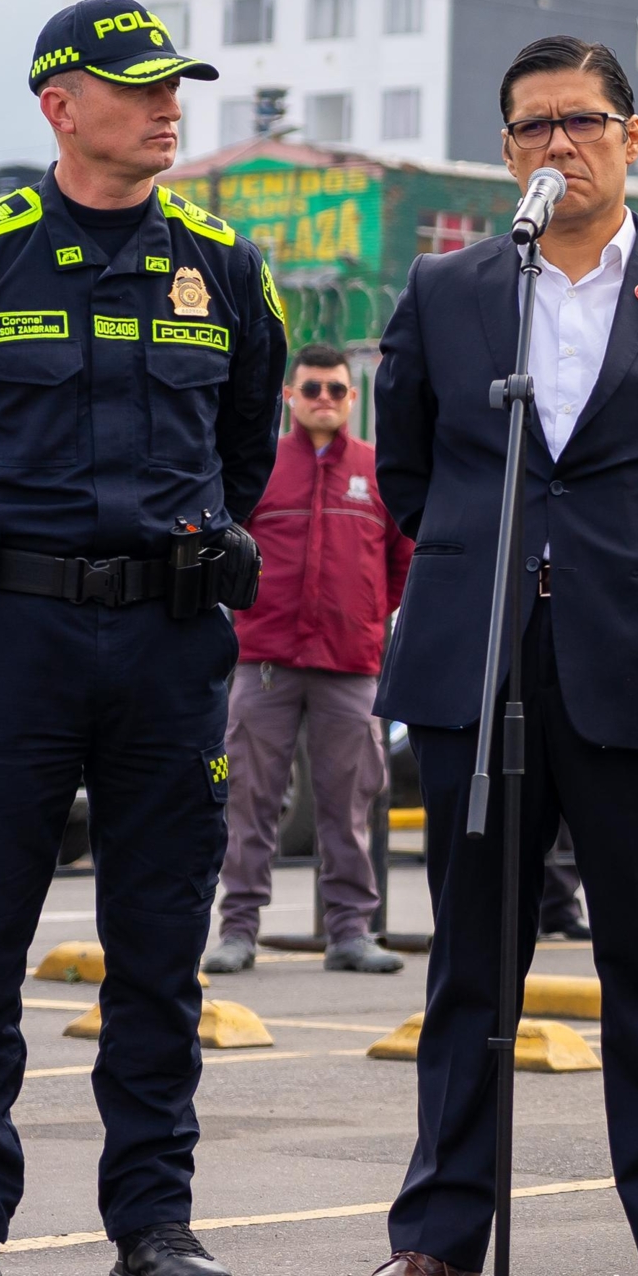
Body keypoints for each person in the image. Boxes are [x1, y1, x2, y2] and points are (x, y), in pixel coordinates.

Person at [332, 35, 638, 1276]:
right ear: (505, 150)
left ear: (633, 136)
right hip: (477, 660)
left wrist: (636, 579)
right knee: (471, 962)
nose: (557, 145)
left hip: (634, 663)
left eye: (582, 121)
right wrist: (504, 572)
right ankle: (434, 1241)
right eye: (531, 126)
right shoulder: (450, 289)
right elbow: (412, 474)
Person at [0, 0, 284, 1276]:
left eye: (176, 86)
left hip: (169, 644)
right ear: (60, 105)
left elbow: (248, 455)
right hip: (16, 646)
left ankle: (156, 1222)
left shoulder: (222, 267)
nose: (169, 107)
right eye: (140, 86)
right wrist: (14, 569)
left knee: (159, 945)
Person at [205, 343, 412, 977]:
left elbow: (400, 565)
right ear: (289, 397)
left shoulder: (379, 473)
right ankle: (238, 930)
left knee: (349, 804)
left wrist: (365, 616)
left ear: (353, 399)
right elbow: (229, 550)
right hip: (263, 658)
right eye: (312, 388)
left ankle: (350, 931)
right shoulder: (261, 468)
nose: (324, 398)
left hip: (350, 664)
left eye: (336, 389)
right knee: (249, 802)